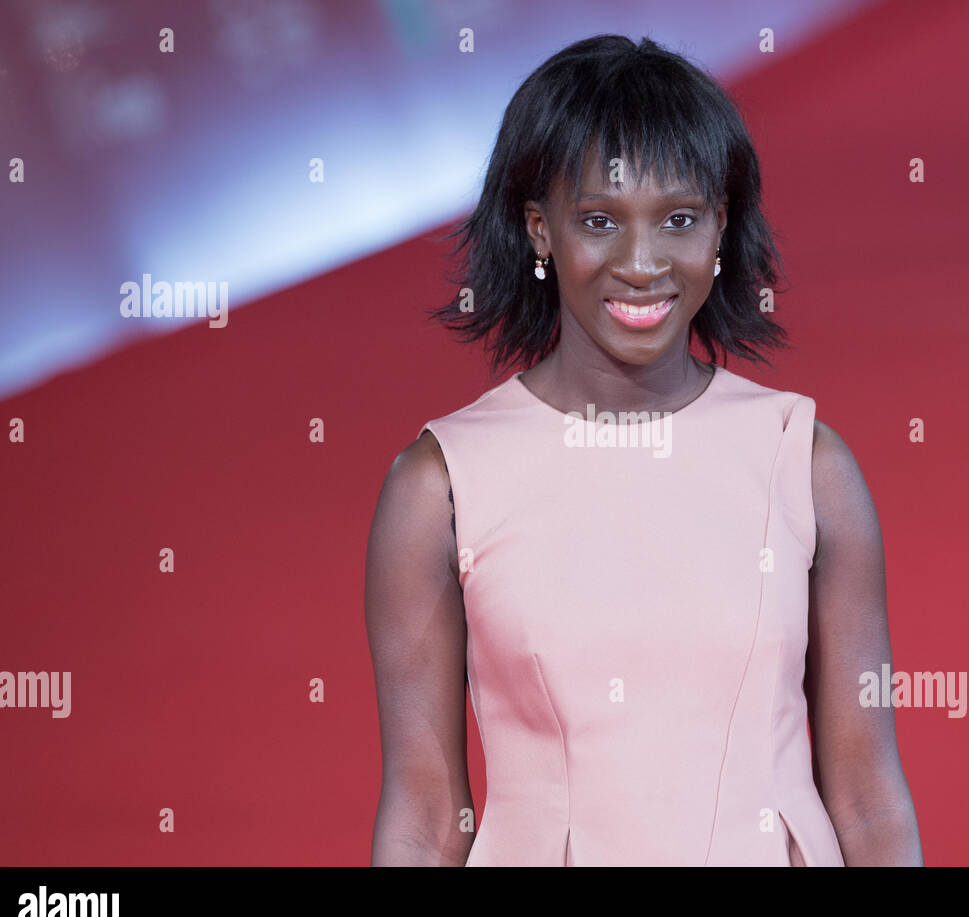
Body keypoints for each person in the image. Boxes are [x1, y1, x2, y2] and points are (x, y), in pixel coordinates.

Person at [365, 34, 922, 866]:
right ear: (538, 230)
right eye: (598, 220)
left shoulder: (805, 464)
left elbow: (868, 796)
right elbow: (426, 812)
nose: (642, 263)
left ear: (721, 228)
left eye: (679, 219)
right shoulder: (439, 488)